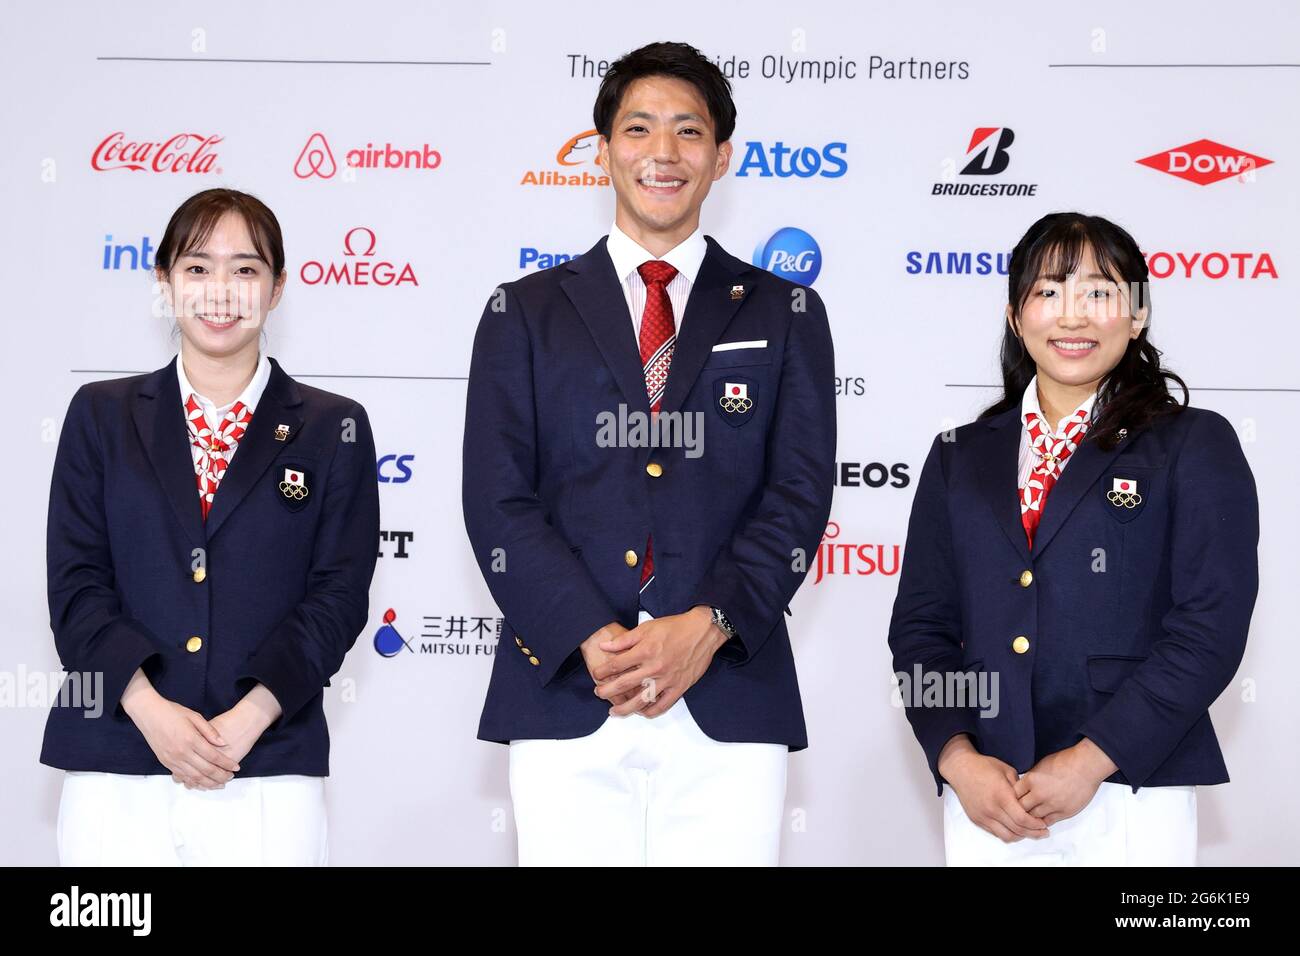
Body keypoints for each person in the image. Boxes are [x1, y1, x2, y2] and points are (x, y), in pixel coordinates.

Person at [463, 41, 836, 866]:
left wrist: (707, 626)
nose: (662, 154)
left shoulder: (786, 310)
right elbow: (497, 499)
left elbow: (798, 495)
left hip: (729, 691)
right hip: (567, 685)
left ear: (722, 156)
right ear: (602, 151)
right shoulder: (522, 312)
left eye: (687, 132)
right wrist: (589, 633)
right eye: (638, 129)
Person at [888, 211, 1259, 865]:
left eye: (1099, 292)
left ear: (1137, 314)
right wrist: (956, 758)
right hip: (986, 797)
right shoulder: (959, 455)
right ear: (1015, 314)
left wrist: (1092, 759)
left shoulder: (1192, 444)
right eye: (1049, 291)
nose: (1073, 316)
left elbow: (1210, 628)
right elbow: (922, 629)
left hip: (1131, 787)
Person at [41, 188, 380, 866]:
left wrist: (250, 718)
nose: (220, 291)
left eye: (245, 269)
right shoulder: (101, 415)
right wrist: (148, 709)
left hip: (266, 764)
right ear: (163, 281)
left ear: (278, 287)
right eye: (197, 268)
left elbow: (338, 596)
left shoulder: (332, 426)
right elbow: (77, 585)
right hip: (116, 757)